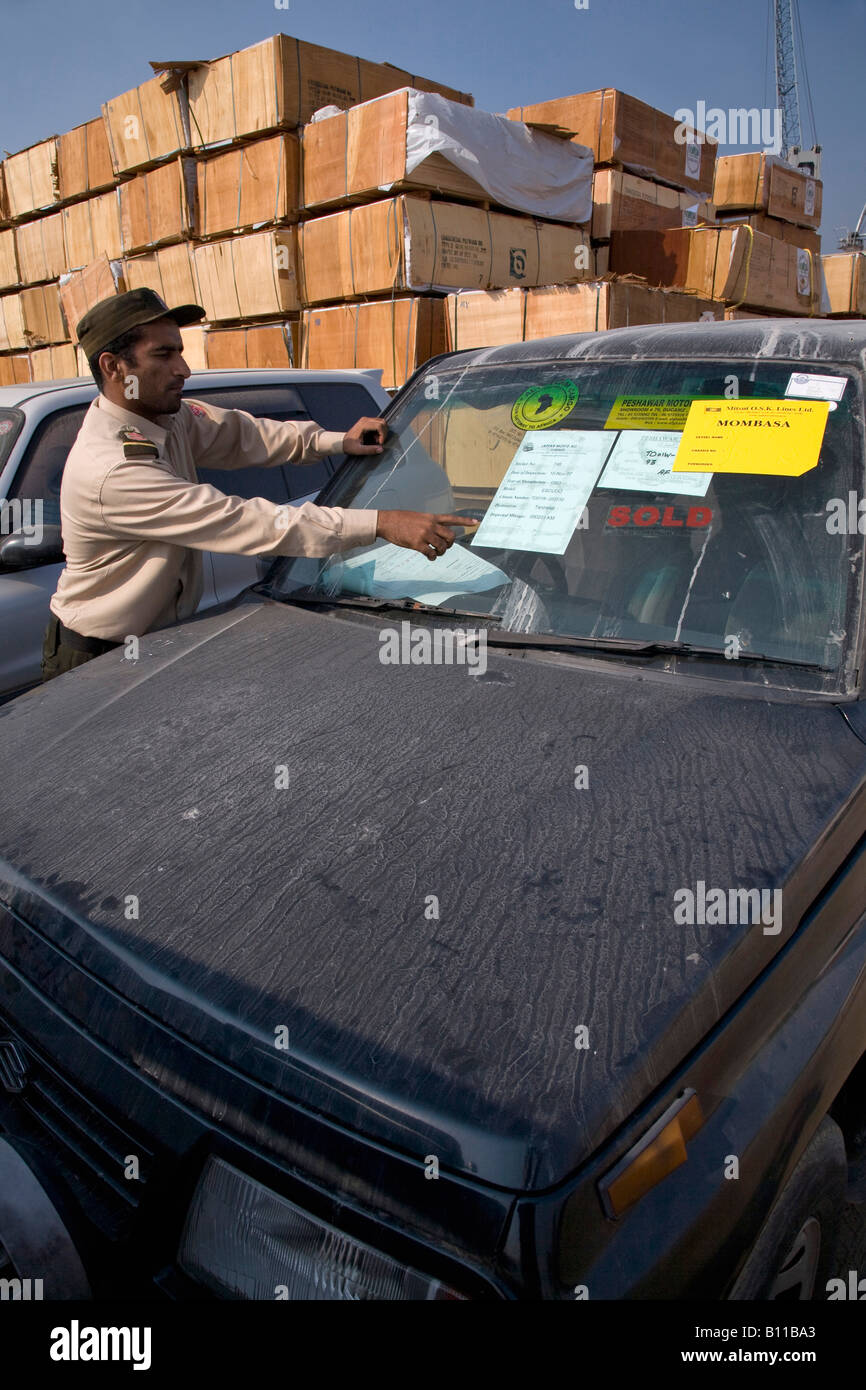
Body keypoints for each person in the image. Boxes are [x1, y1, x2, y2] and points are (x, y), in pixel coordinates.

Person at [42, 289, 474, 682]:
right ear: (114, 366)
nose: (184, 369)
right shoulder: (113, 469)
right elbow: (246, 521)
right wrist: (380, 523)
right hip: (98, 657)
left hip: (153, 641)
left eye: (181, 352)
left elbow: (244, 436)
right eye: (163, 355)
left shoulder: (161, 417)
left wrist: (335, 441)